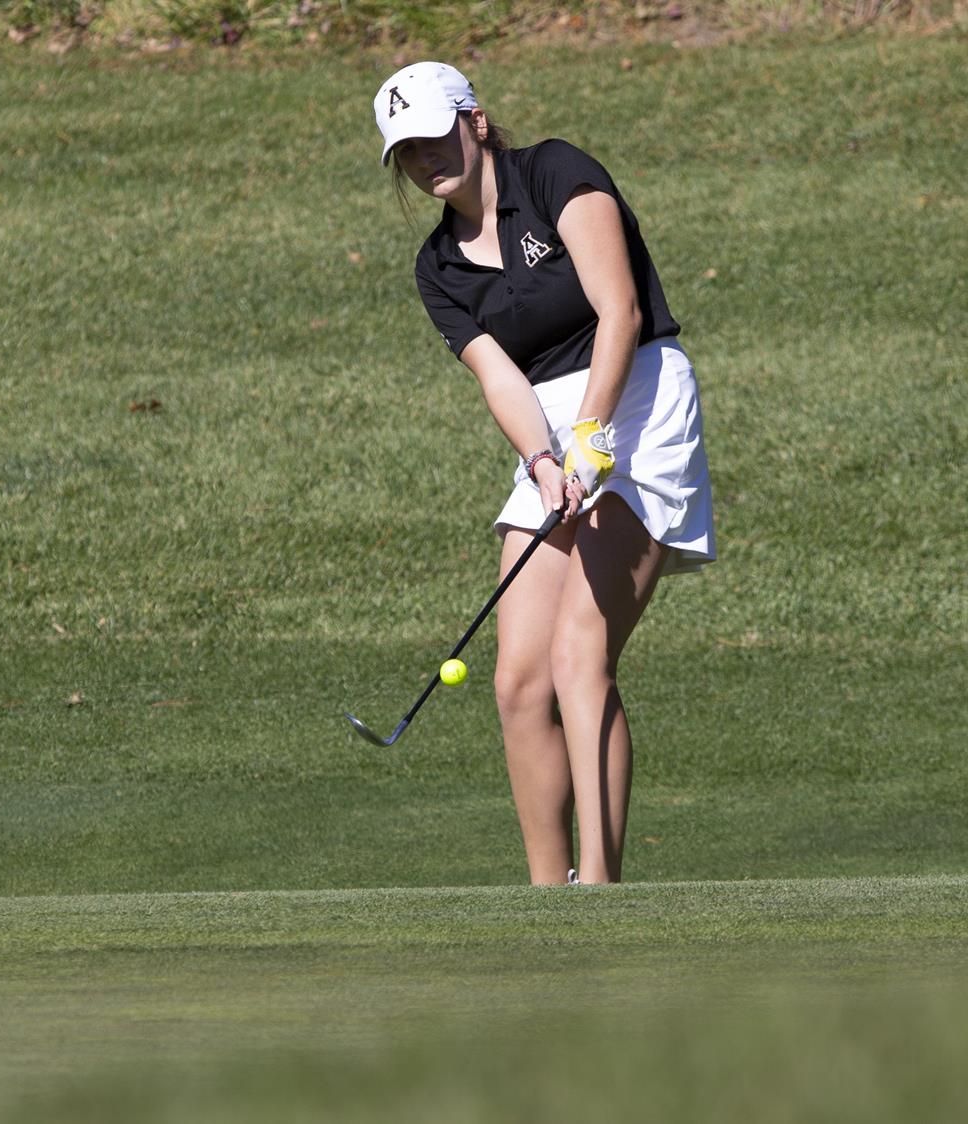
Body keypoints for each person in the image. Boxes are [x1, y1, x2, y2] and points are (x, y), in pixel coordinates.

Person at [372, 62, 716, 886]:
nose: (425, 161)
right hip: (554, 434)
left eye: (434, 137)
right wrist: (541, 460)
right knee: (519, 681)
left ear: (476, 122)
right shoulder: (439, 269)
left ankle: (599, 892)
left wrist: (592, 433)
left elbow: (620, 311)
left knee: (577, 655)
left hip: (636, 398)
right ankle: (545, 905)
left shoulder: (556, 172)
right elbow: (501, 379)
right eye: (406, 152)